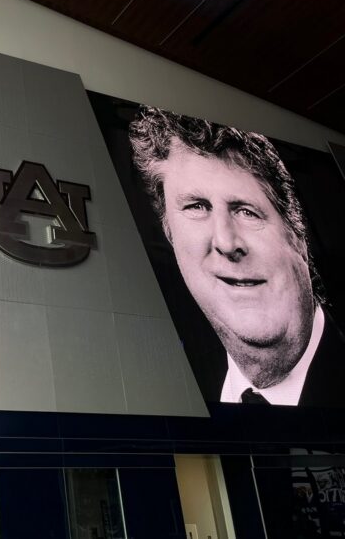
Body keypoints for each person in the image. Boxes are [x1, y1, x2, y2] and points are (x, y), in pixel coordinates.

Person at [129, 106, 345, 406]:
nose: (227, 243)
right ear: (170, 234)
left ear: (297, 235)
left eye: (246, 211)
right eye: (197, 207)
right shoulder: (171, 395)